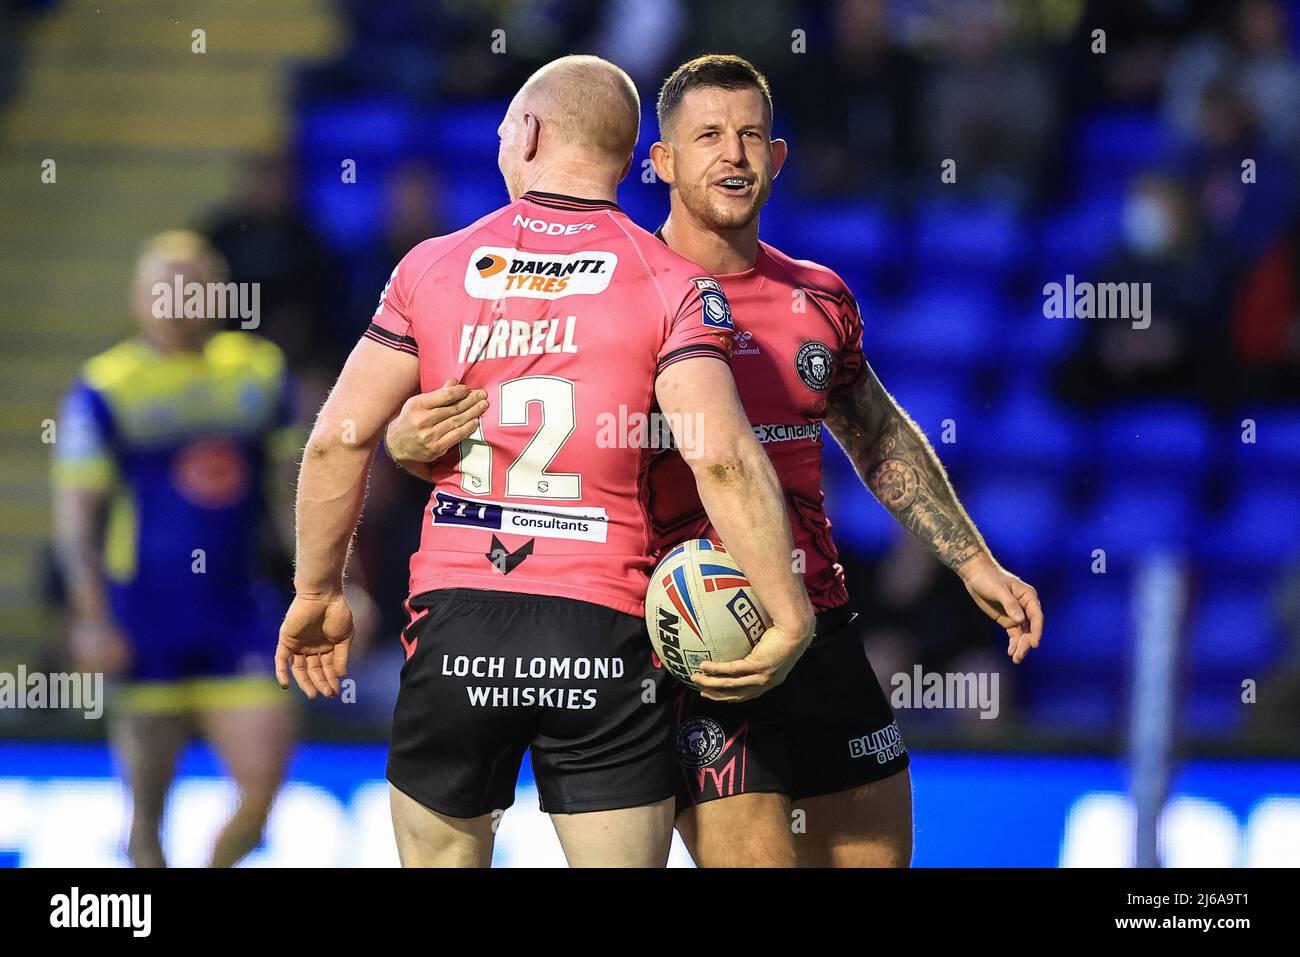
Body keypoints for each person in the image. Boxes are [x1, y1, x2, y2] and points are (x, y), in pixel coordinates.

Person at [388, 54, 1044, 868]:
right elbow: (510, 423)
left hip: (820, 623)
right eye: (706, 136)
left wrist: (971, 558)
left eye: (750, 136)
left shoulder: (820, 298)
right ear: (659, 163)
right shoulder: (617, 288)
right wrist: (405, 439)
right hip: (697, 642)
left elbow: (875, 435)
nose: (732, 154)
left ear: (777, 159)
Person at [275, 55, 814, 868]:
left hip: (459, 621)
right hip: (602, 625)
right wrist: (788, 605)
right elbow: (725, 458)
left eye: (503, 128)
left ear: (527, 133)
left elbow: (335, 438)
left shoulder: (431, 266)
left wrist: (319, 589)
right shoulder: (671, 280)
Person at [51, 230, 299, 867]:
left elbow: (288, 496)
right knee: (146, 818)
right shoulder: (107, 387)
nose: (179, 296)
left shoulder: (259, 371)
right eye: (164, 284)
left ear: (220, 292)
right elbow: (77, 517)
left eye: (194, 281)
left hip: (240, 614)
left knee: (263, 789)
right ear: (138, 299)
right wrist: (91, 618)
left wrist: (324, 581)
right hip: (145, 619)